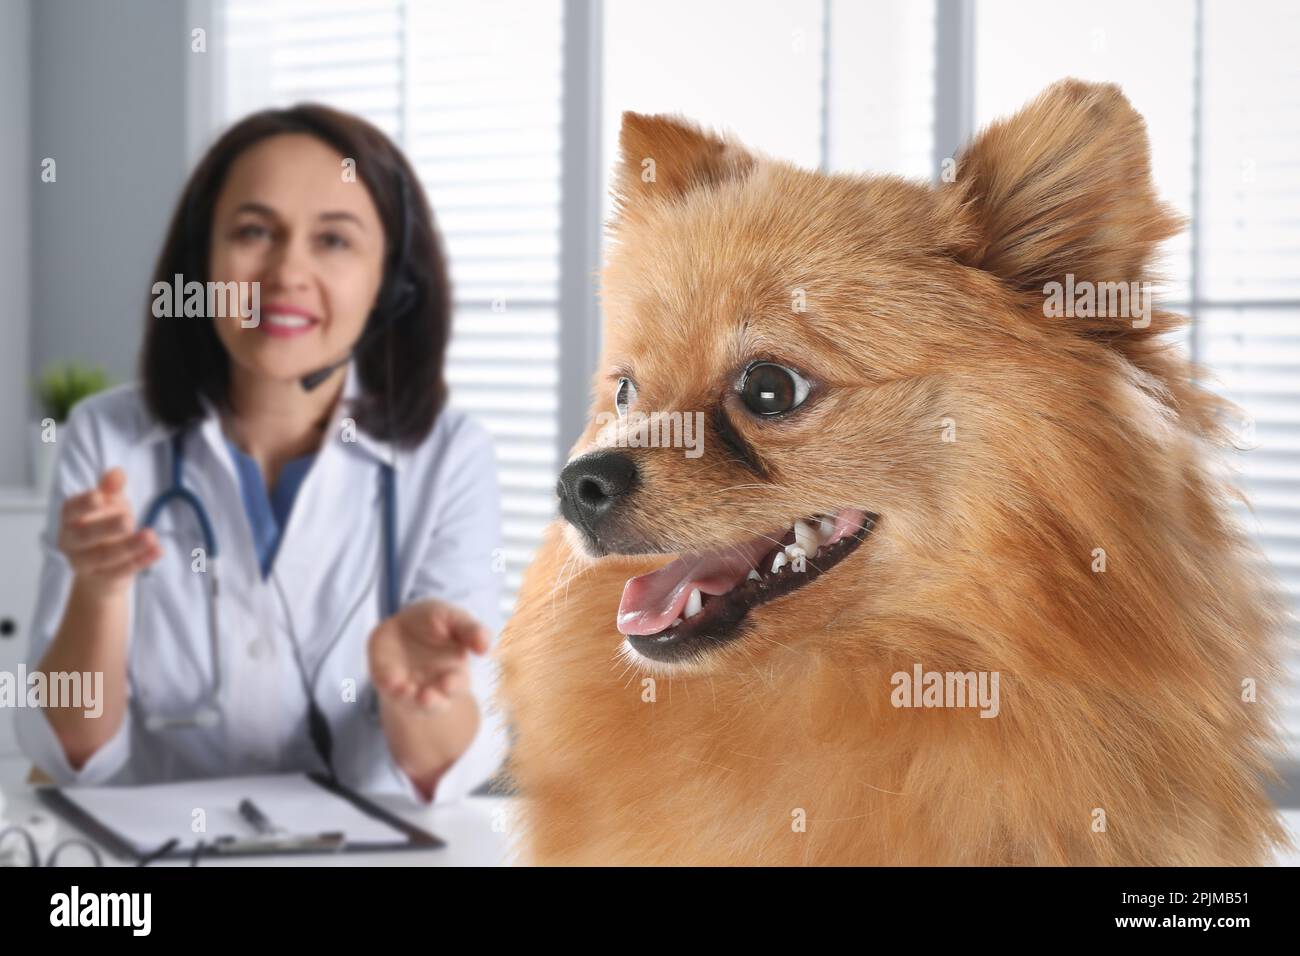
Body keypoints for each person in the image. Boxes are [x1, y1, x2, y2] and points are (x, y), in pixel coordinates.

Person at [16, 104, 506, 805]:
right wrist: (97, 595)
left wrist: (420, 692)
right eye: (252, 232)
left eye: (334, 241)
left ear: (390, 285)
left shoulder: (450, 454)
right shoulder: (108, 438)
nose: (285, 272)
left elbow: (444, 768)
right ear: (203, 262)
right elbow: (72, 755)